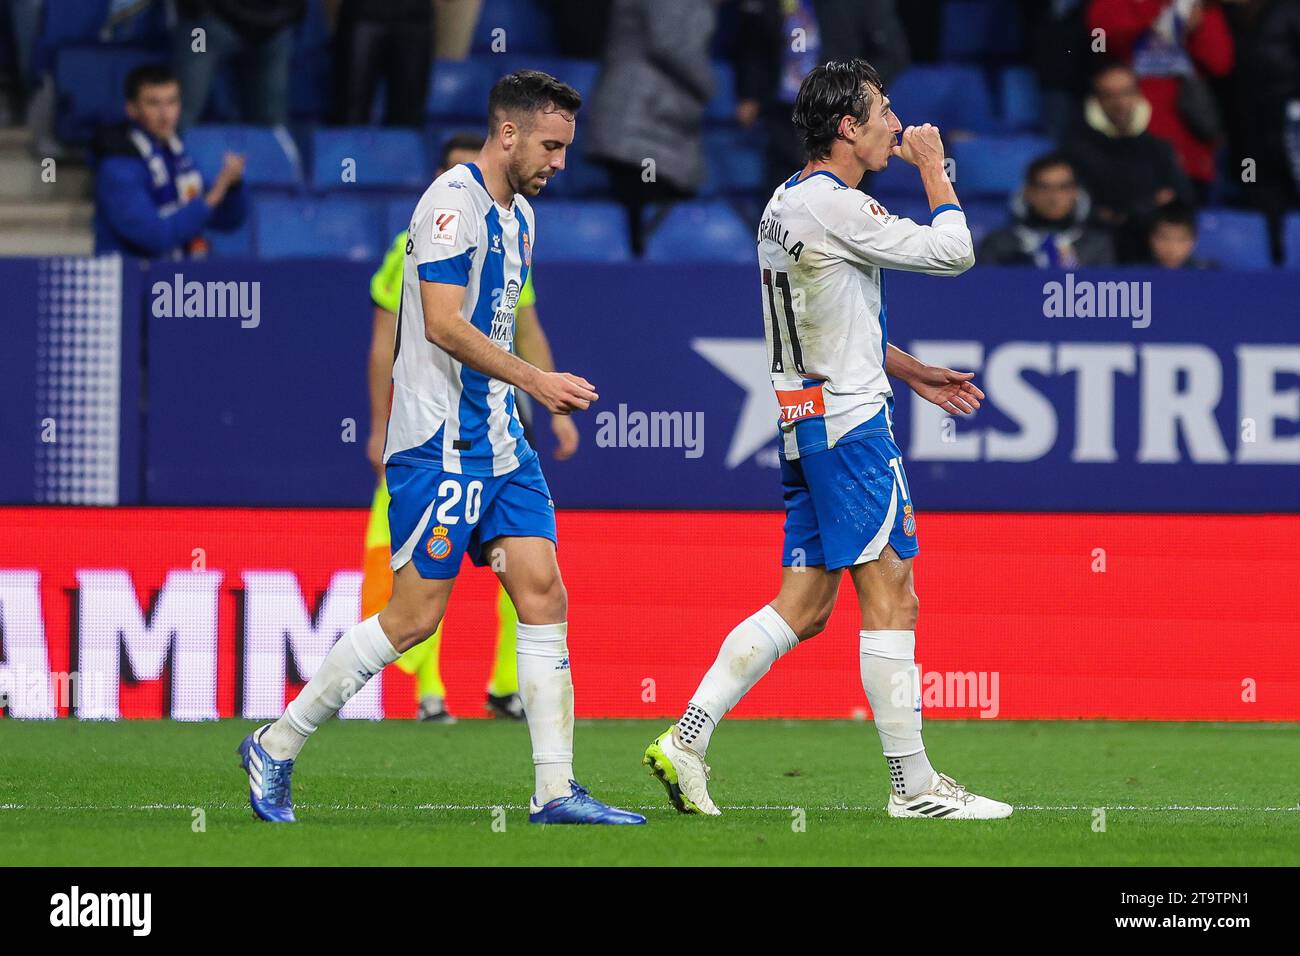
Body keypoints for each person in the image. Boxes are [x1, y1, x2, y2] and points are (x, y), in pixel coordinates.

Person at [238, 70, 643, 826]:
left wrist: (525, 399)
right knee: (413, 619)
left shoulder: (521, 215)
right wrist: (538, 381)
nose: (559, 162)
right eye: (551, 146)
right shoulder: (448, 207)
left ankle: (556, 790)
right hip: (439, 445)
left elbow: (504, 320)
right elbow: (446, 324)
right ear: (510, 132)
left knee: (544, 588)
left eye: (566, 148)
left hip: (500, 441)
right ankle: (277, 743)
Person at [643, 59, 1012, 820]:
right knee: (895, 595)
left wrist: (908, 369)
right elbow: (954, 252)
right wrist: (936, 168)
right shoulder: (837, 207)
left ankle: (687, 738)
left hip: (806, 420)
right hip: (849, 426)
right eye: (881, 110)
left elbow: (830, 320)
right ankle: (913, 788)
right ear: (847, 126)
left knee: (805, 607)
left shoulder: (785, 202)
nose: (894, 123)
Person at [364, 132, 581, 723]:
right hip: (433, 431)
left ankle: (509, 692)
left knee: (536, 578)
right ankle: (427, 690)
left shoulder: (513, 227)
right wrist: (380, 420)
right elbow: (393, 335)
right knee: (418, 604)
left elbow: (522, 324)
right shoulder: (415, 240)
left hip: (498, 427)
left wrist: (545, 392)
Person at [585, 0, 716, 255]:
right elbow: (670, 43)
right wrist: (713, 86)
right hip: (639, 126)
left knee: (650, 229)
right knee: (641, 231)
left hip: (651, 128)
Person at [92, 64, 247, 258]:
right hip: (130, 283)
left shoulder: (178, 156)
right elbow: (155, 236)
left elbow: (226, 220)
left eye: (172, 102)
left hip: (175, 281)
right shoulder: (117, 168)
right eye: (154, 104)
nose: (165, 115)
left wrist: (232, 186)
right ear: (131, 109)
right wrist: (215, 194)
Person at [1087, 0, 1235, 196]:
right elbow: (1101, 41)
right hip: (1124, 139)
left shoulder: (1199, 5)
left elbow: (1220, 63)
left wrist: (1198, 28)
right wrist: (1156, 14)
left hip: (1187, 140)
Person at [1063, 63, 1194, 261]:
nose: (1119, 102)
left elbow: (1183, 202)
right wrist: (1149, 204)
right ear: (1095, 101)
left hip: (1152, 258)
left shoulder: (1159, 149)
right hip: (1096, 258)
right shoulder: (1076, 151)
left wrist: (1122, 214)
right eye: (1109, 95)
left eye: (1126, 92)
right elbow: (1081, 209)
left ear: (1137, 95)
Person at [173, 0, 305, 129]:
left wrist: (287, 15)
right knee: (181, 109)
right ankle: (164, 150)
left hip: (274, 30)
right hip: (205, 28)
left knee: (271, 123)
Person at [978, 154, 1117, 267]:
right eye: (1044, 188)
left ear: (1075, 193)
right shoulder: (999, 245)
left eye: (1063, 187)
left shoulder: (1097, 246)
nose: (1054, 197)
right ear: (1028, 193)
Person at [1148, 201, 1217, 267]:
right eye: (1164, 238)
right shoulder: (1138, 271)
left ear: (1194, 240)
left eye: (1181, 239)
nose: (1172, 249)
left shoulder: (1211, 273)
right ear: (1151, 238)